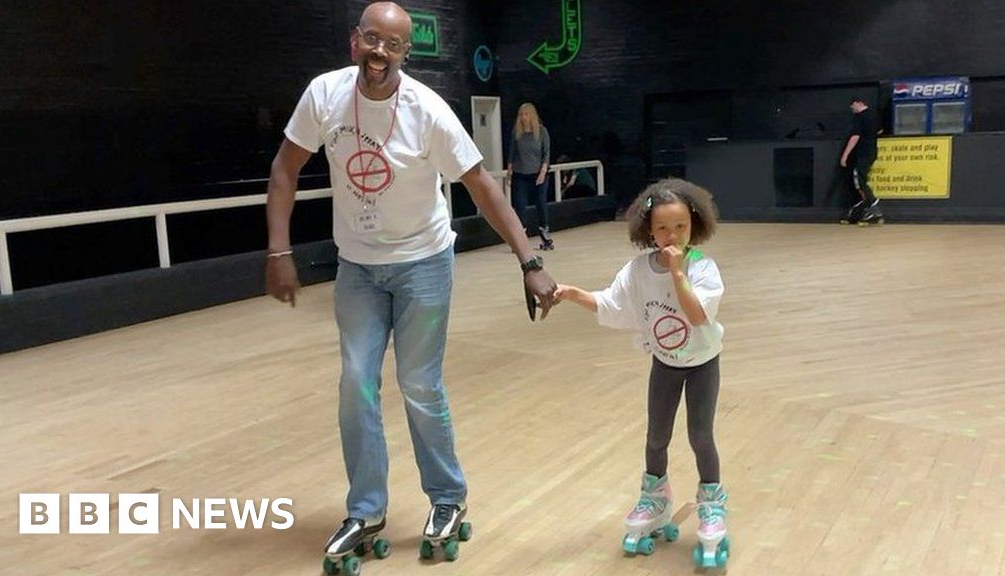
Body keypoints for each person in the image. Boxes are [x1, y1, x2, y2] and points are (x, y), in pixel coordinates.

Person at [263, 2, 557, 567]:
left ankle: (447, 498)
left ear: (405, 52)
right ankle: (366, 509)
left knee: (419, 383)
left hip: (424, 264)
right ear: (355, 42)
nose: (381, 52)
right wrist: (279, 249)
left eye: (393, 44)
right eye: (373, 39)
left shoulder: (428, 110)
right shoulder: (324, 95)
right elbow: (285, 168)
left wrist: (529, 261)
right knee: (356, 384)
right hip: (358, 268)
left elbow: (481, 185)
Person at [553, 178, 730, 568]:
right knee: (656, 437)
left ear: (694, 225)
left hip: (702, 363)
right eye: (663, 227)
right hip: (665, 363)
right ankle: (655, 498)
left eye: (680, 226)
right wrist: (572, 293)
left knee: (700, 436)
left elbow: (697, 315)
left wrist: (678, 273)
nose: (672, 235)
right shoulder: (637, 271)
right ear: (648, 229)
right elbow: (611, 303)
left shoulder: (702, 267)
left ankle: (712, 503)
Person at [507, 102, 553, 250]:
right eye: (521, 115)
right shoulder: (517, 132)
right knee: (520, 205)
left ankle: (544, 234)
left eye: (526, 114)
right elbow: (512, 152)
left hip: (539, 174)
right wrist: (509, 170)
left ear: (532, 115)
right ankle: (520, 238)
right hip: (520, 174)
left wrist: (543, 171)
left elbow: (546, 153)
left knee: (541, 203)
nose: (523, 117)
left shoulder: (542, 131)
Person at [840, 96, 883, 225]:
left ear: (859, 103)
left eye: (852, 105)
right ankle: (861, 210)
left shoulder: (860, 117)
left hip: (863, 153)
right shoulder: (874, 115)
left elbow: (855, 136)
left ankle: (874, 208)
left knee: (859, 181)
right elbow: (880, 130)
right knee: (860, 181)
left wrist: (845, 155)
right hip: (871, 152)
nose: (851, 108)